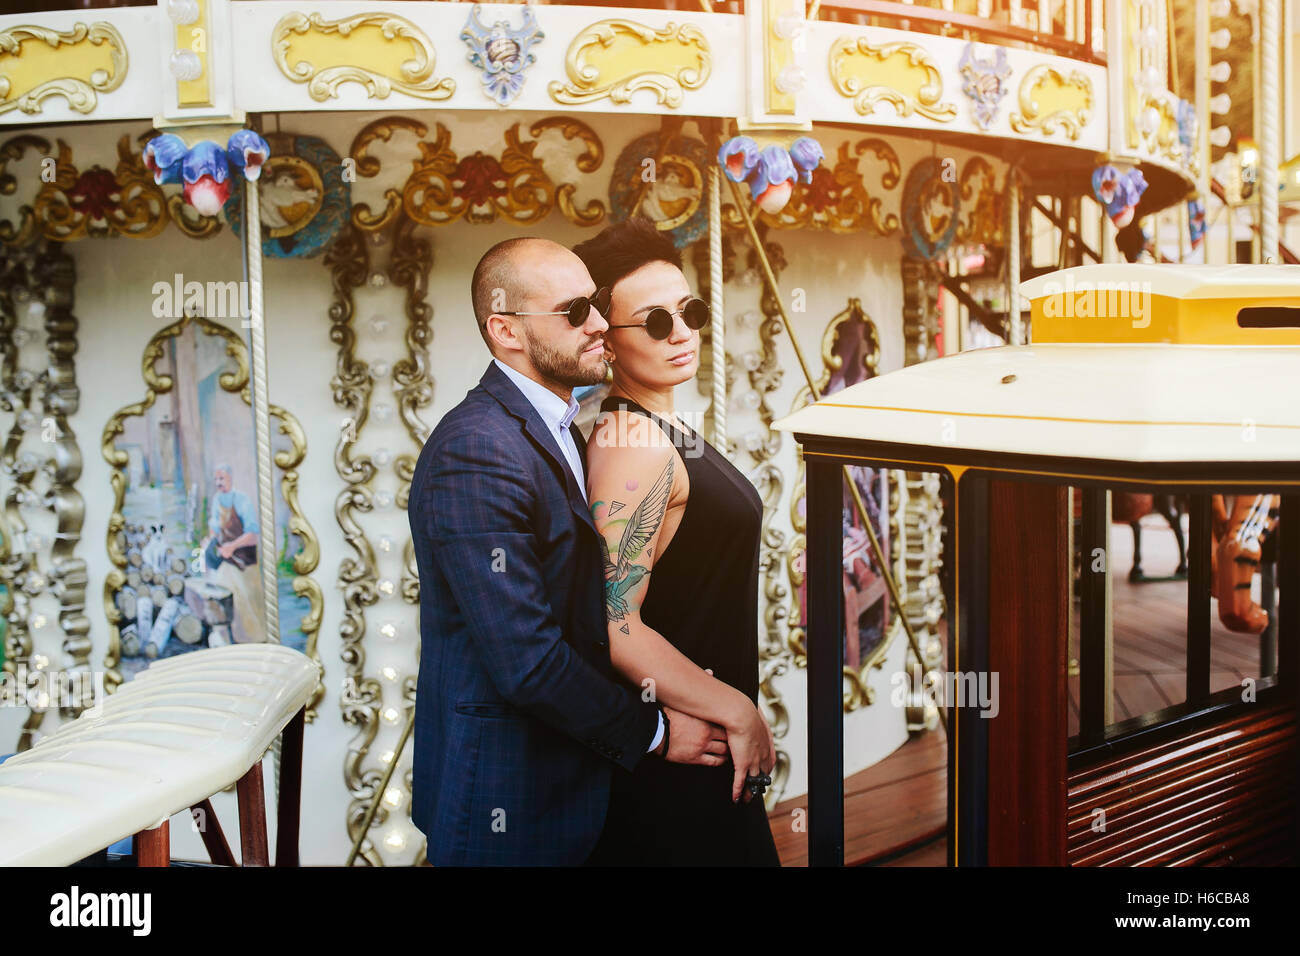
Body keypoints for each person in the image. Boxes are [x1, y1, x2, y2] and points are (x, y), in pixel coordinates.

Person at [408, 237, 728, 866]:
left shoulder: (555, 427)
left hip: (570, 786)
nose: (601, 324)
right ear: (506, 330)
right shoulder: (475, 450)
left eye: (598, 305)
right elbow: (526, 661)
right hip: (509, 798)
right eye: (576, 310)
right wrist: (660, 732)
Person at [573, 217, 780, 865]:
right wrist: (737, 710)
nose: (682, 331)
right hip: (684, 745)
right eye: (656, 322)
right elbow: (612, 622)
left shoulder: (662, 425)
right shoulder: (632, 443)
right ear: (607, 340)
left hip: (705, 733)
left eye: (689, 311)